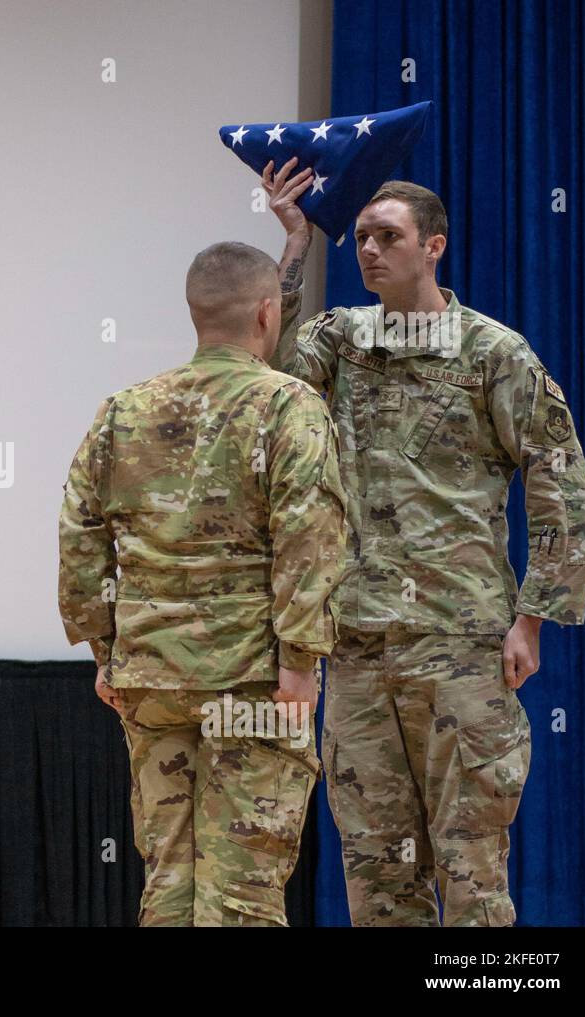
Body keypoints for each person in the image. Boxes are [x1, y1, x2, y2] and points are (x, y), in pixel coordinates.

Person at [263, 159, 585, 926]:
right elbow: (266, 372)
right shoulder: (341, 341)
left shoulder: (492, 354)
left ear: (434, 245)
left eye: (389, 237)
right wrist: (296, 245)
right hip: (356, 648)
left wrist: (532, 617)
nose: (370, 250)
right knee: (376, 873)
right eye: (362, 238)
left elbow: (561, 481)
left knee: (471, 866)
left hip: (460, 645)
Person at [58, 241, 347, 926]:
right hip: (254, 683)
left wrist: (105, 651)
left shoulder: (122, 411)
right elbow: (311, 537)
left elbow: (79, 538)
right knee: (242, 888)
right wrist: (301, 661)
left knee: (170, 877)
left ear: (196, 314)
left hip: (152, 683)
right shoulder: (289, 406)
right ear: (267, 314)